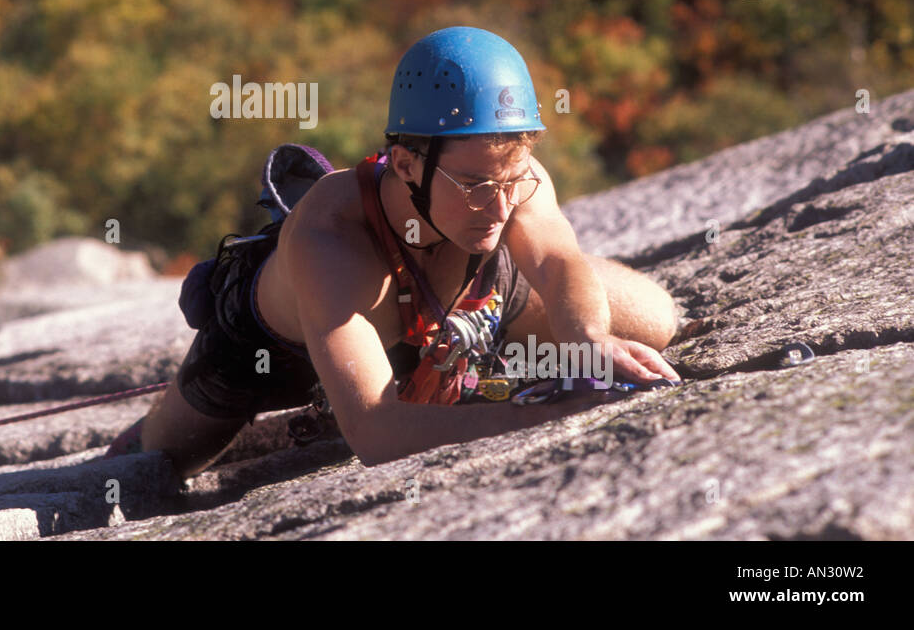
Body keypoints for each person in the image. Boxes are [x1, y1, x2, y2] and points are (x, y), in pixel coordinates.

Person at [112, 27, 682, 478]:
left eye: (514, 180)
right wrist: (544, 416)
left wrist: (589, 340)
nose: (502, 206)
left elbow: (559, 264)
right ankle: (174, 427)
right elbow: (378, 434)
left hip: (461, 301)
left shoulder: (504, 176)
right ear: (406, 165)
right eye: (477, 188)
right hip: (275, 353)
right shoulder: (329, 239)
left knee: (653, 319)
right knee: (161, 460)